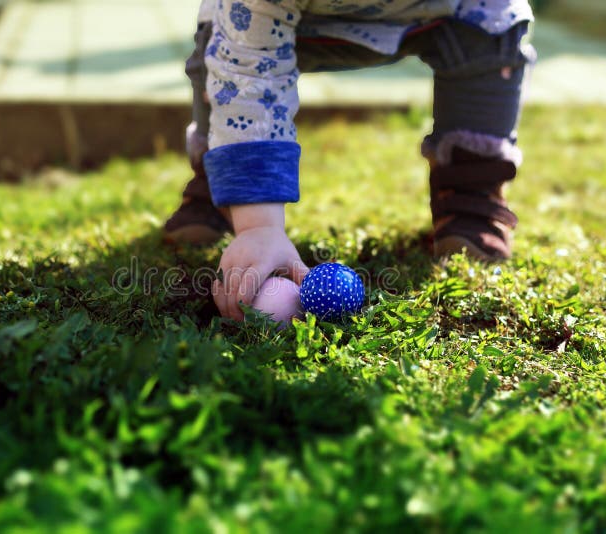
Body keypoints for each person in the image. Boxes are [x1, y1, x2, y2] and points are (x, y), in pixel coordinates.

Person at [164, 0, 537, 321]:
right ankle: (222, 188)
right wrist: (258, 226)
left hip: (444, 11)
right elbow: (245, 75)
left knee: (492, 30)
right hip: (269, 17)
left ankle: (470, 191)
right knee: (223, 50)